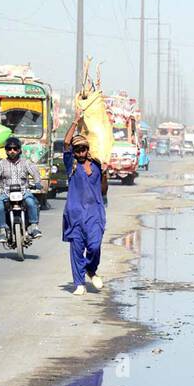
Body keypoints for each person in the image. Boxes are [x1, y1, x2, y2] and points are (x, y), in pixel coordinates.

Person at [62, 124, 109, 295]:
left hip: (94, 214)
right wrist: (74, 122)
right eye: (77, 150)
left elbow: (103, 190)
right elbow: (66, 143)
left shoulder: (96, 166)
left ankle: (90, 269)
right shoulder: (71, 166)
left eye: (83, 149)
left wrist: (104, 174)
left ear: (88, 150)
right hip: (75, 214)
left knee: (94, 246)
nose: (80, 153)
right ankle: (79, 283)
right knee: (76, 248)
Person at [0, 136, 43, 242]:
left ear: (19, 150)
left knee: (32, 203)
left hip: (23, 191)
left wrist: (37, 183)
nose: (12, 151)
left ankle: (34, 226)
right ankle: (3, 230)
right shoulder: (1, 164)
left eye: (15, 149)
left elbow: (35, 172)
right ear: (6, 151)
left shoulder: (26, 163)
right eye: (9, 149)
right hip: (6, 192)